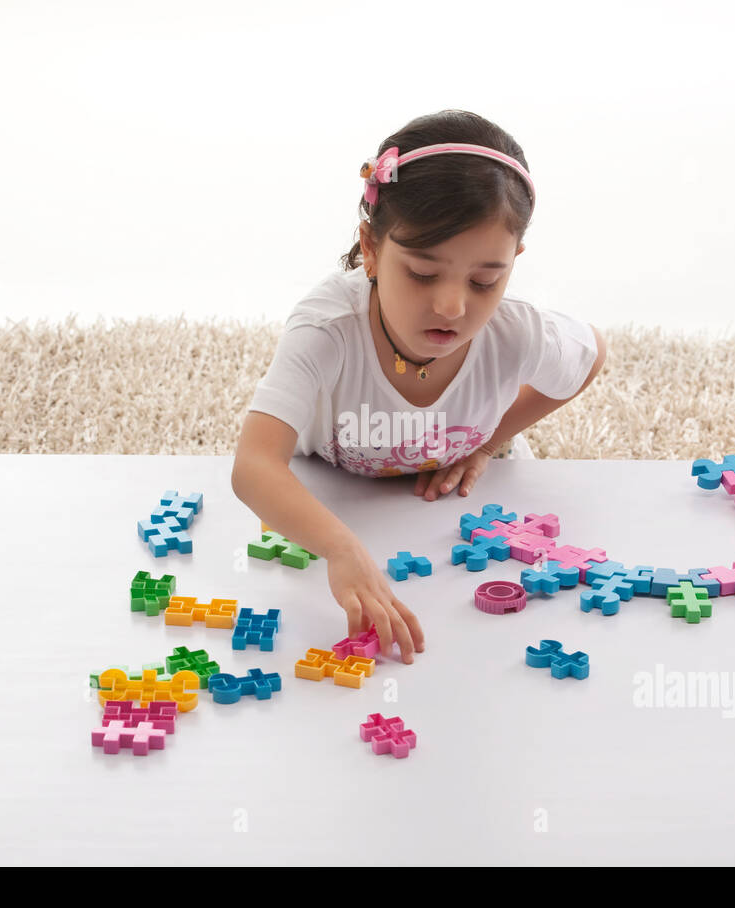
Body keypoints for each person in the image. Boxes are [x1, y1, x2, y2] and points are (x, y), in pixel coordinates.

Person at [231, 109, 606, 665]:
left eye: (485, 279)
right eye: (423, 274)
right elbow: (254, 465)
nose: (452, 306)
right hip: (339, 497)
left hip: (451, 529)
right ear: (373, 248)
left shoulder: (518, 333)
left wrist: (486, 439)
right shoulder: (327, 330)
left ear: (513, 262)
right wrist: (339, 548)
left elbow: (590, 355)